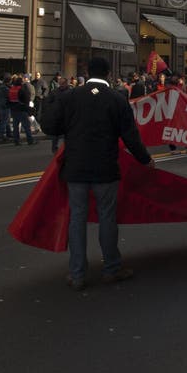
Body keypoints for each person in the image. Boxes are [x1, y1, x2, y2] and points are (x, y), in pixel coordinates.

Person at [44, 57, 155, 290]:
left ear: (86, 71)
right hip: (105, 167)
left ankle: (77, 274)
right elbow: (130, 135)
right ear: (108, 73)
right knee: (107, 217)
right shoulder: (117, 99)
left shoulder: (70, 97)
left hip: (75, 168)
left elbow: (50, 128)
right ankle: (111, 269)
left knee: (77, 219)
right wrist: (145, 159)